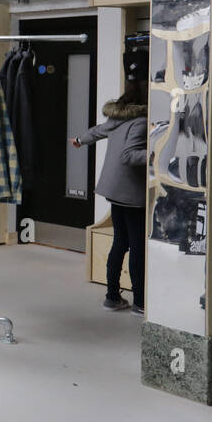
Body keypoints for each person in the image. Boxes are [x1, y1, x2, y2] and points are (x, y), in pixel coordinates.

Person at [72, 58, 148, 314]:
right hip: (131, 193)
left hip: (114, 191)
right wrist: (155, 154)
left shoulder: (118, 117)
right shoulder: (141, 121)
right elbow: (129, 156)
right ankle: (140, 302)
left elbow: (98, 131)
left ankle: (112, 297)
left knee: (120, 242)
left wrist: (80, 139)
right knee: (137, 246)